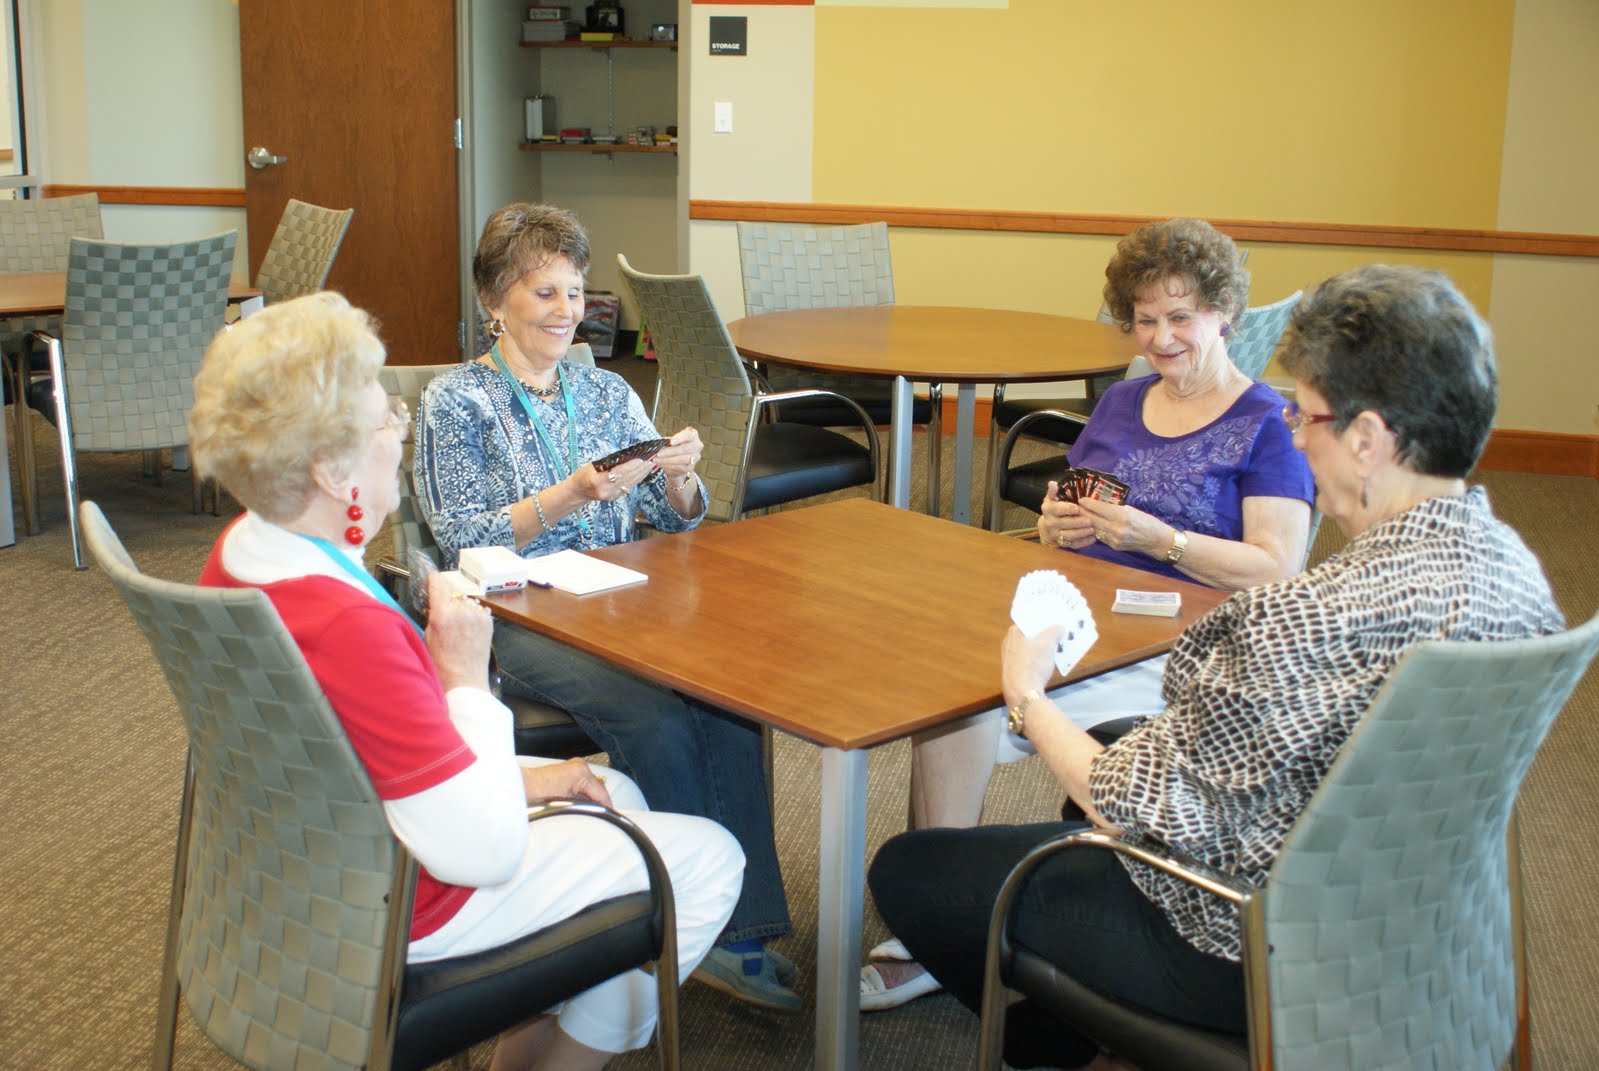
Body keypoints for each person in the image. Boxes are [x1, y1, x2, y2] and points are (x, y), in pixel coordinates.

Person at [865, 264, 1564, 1070]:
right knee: (1126, 730)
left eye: (1308, 417)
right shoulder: (1515, 571)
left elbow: (1124, 798)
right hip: (1419, 921)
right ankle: (1094, 1027)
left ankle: (1105, 1036)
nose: (1297, 436)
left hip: (1248, 945)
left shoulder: (1301, 617)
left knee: (913, 871)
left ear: (1368, 440)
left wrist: (1024, 692)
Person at [187, 292, 745, 1071]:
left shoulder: (242, 552)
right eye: (386, 419)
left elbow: (368, 747)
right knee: (711, 859)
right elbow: (478, 849)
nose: (400, 429)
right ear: (330, 468)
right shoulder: (351, 623)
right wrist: (464, 677)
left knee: (617, 795)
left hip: (320, 853)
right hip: (411, 901)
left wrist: (540, 778)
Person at [864, 218, 1315, 1010]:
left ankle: (963, 920)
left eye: (1181, 316)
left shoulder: (1267, 423)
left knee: (990, 694)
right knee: (955, 697)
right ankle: (942, 916)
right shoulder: (1121, 404)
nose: (1160, 337)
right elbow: (1069, 511)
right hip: (1085, 619)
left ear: (1225, 313)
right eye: (1145, 318)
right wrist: (1057, 524)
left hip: (1184, 653)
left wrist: (1163, 539)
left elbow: (1277, 568)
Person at [413, 202, 798, 1011]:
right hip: (521, 610)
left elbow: (677, 516)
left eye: (575, 291)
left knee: (726, 702)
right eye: (543, 291)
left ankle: (742, 924)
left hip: (626, 596)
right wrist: (572, 493)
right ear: (494, 302)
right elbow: (462, 536)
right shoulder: (459, 403)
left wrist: (682, 473)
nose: (566, 310)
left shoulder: (608, 390)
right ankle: (689, 913)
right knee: (655, 716)